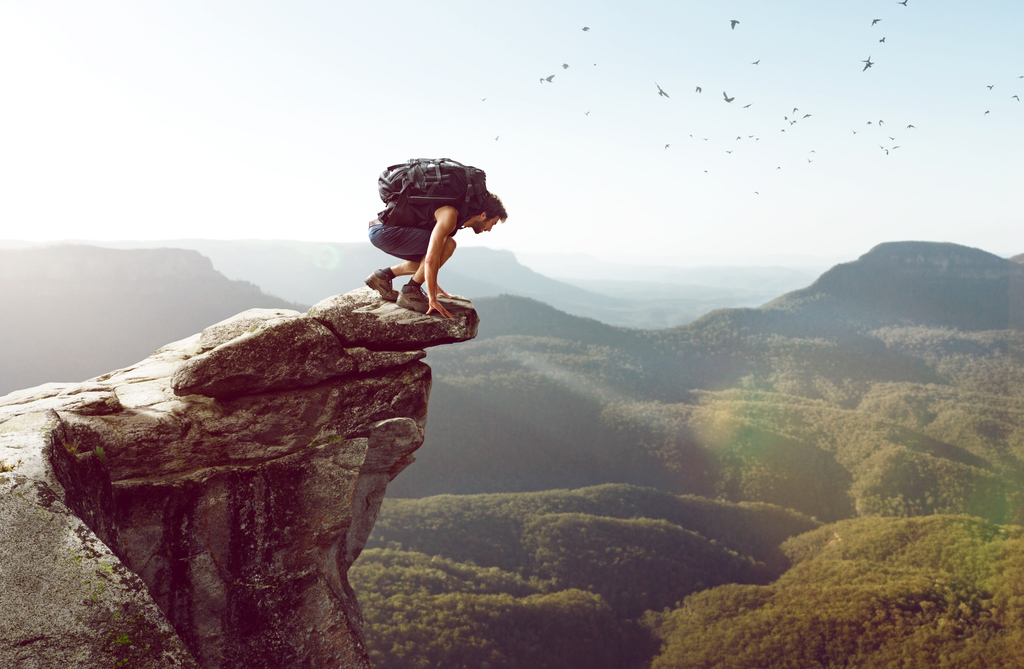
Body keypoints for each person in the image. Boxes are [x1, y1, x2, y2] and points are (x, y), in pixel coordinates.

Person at [364, 192, 508, 318]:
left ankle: (382, 276)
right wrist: (432, 297)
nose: (489, 229)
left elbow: (428, 261)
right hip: (385, 232)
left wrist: (432, 281)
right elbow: (431, 259)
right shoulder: (450, 215)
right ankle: (410, 291)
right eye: (492, 223)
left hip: (380, 230)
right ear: (483, 215)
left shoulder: (458, 217)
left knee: (441, 249)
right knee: (448, 245)